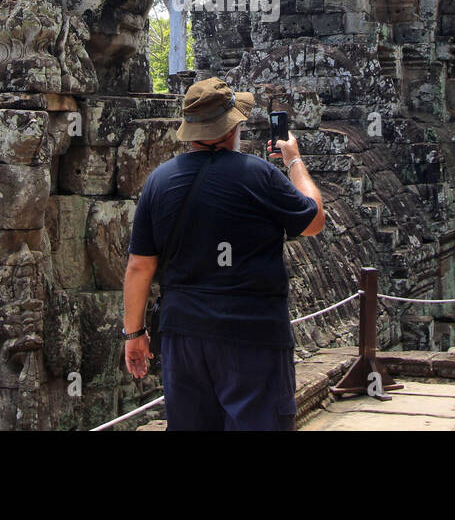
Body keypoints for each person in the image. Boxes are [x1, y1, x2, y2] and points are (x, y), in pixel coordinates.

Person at [122, 77, 324, 430]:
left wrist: (134, 334)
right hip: (251, 335)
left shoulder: (159, 181)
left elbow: (140, 266)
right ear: (233, 127)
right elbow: (314, 220)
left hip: (182, 335)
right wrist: (294, 162)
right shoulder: (257, 175)